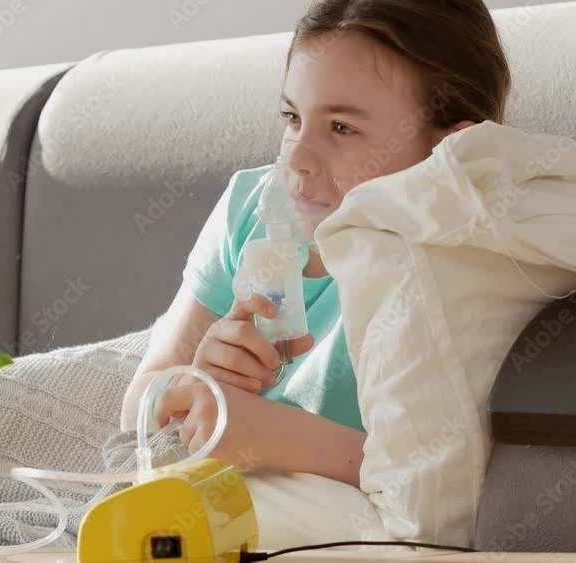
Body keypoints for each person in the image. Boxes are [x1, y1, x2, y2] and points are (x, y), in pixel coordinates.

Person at [120, 0, 511, 491]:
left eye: (342, 128)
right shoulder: (249, 210)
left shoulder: (462, 265)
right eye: (292, 117)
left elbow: (447, 479)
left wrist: (280, 438)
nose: (297, 159)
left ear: (453, 150)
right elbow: (138, 400)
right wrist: (194, 383)